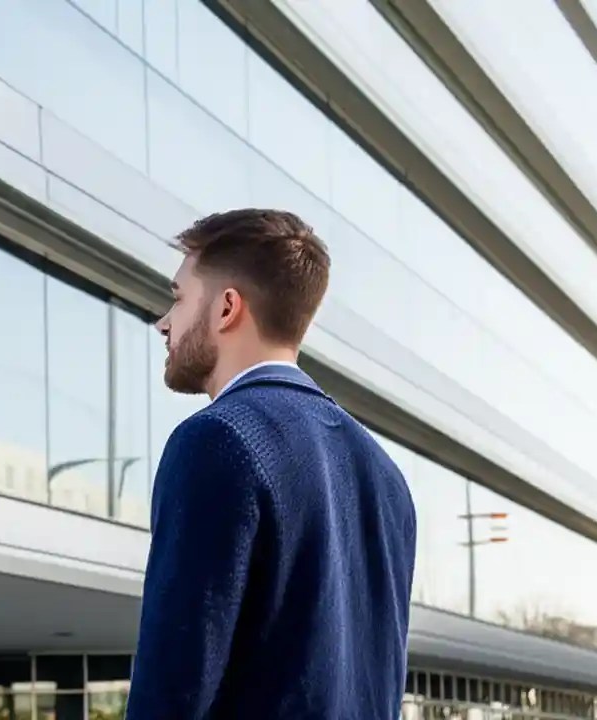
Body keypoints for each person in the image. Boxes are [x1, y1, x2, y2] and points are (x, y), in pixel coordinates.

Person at [126, 209, 417, 719]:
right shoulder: (386, 478)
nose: (164, 322)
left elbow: (172, 689)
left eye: (178, 297)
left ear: (226, 309)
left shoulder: (215, 441)